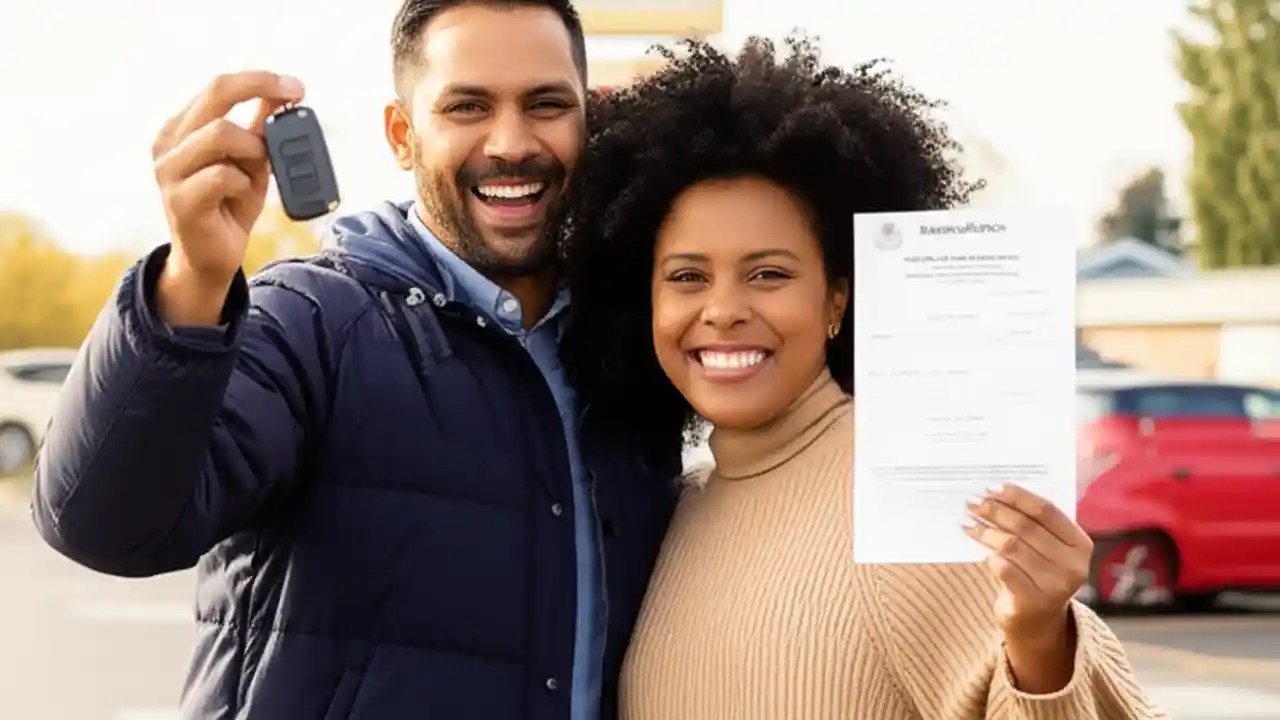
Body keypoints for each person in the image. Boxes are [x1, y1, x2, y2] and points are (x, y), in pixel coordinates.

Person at [30, 1, 680, 718]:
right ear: (403, 136)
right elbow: (101, 523)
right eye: (467, 106)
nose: (511, 141)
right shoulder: (310, 321)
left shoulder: (632, 349)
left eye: (546, 104)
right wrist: (191, 280)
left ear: (586, 119)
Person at [560, 35, 1167, 719]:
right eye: (687, 277)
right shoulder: (684, 505)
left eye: (769, 274)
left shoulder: (911, 490)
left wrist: (1039, 639)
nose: (723, 310)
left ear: (837, 300)